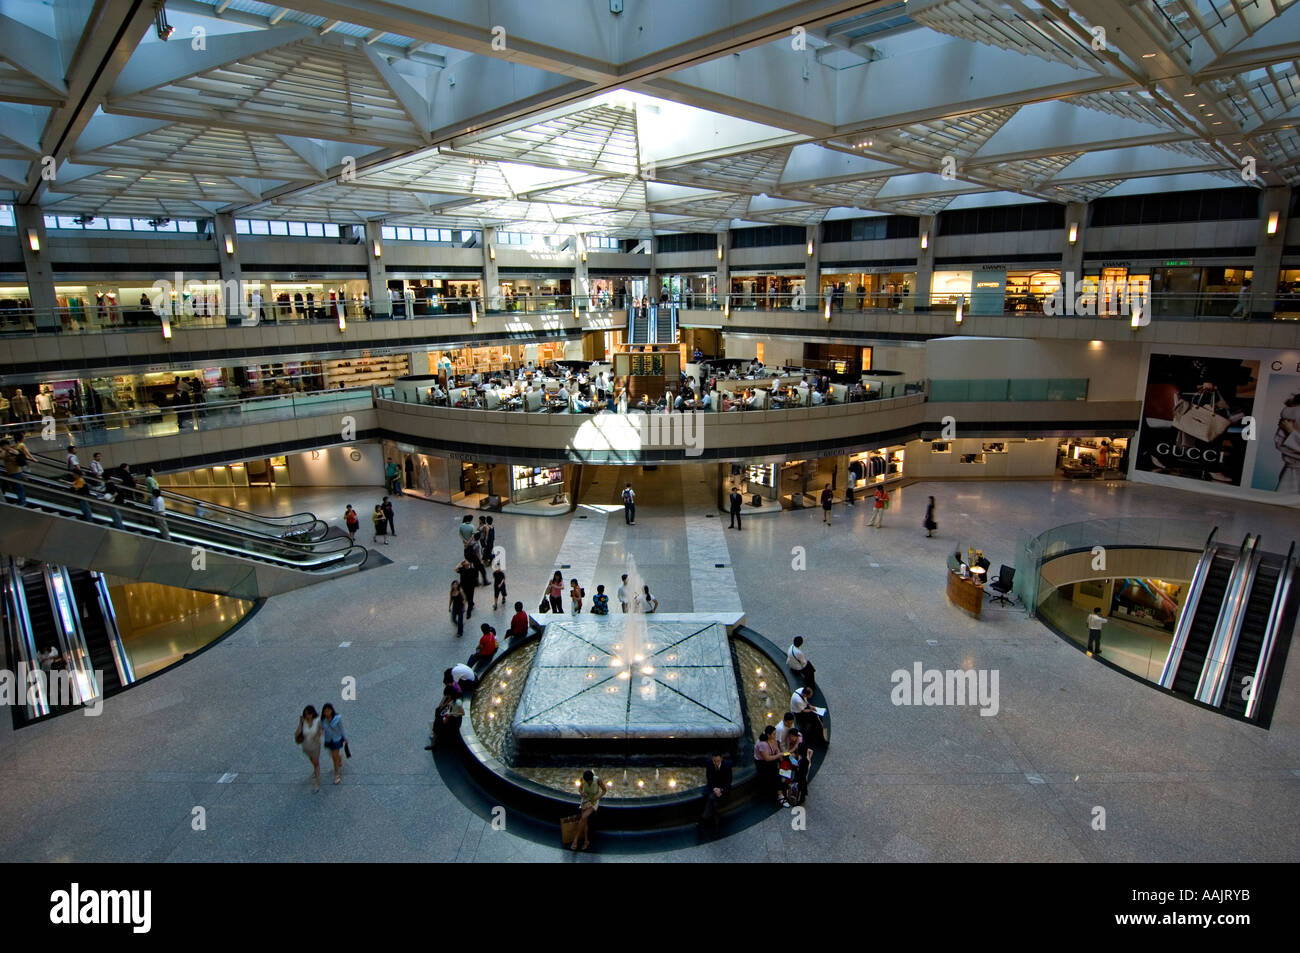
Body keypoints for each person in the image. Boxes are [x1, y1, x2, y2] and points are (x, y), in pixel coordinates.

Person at [699, 753, 733, 834]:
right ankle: (716, 821)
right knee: (713, 799)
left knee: (712, 798)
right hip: (713, 787)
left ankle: (704, 818)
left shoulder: (727, 765)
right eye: (714, 761)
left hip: (723, 789)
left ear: (721, 759)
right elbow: (709, 779)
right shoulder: (709, 763)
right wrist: (715, 789)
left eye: (717, 761)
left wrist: (721, 790)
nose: (716, 763)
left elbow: (729, 782)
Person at [571, 769, 604, 851]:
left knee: (583, 817)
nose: (588, 783)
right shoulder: (582, 779)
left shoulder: (598, 780)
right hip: (585, 800)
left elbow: (604, 790)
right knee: (584, 821)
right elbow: (580, 789)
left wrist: (597, 797)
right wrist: (581, 793)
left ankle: (575, 840)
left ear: (592, 778)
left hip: (594, 801)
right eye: (587, 781)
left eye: (590, 781)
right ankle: (586, 841)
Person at [295, 705, 324, 792]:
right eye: (306, 714)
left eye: (309, 714)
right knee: (312, 760)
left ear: (312, 713)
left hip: (315, 745)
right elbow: (297, 733)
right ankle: (315, 770)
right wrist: (300, 723)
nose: (308, 716)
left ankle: (317, 782)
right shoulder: (303, 722)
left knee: (316, 762)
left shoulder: (317, 721)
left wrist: (318, 735)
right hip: (306, 745)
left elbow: (321, 730)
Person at [320, 703, 347, 785]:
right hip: (328, 740)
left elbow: (341, 729)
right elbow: (321, 729)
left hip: (336, 739)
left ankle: (336, 774)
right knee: (332, 755)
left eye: (328, 711)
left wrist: (345, 738)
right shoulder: (323, 720)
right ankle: (339, 757)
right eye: (325, 711)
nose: (327, 713)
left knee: (334, 758)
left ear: (332, 710)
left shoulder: (337, 719)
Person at [753, 726, 781, 803]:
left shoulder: (772, 739)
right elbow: (767, 758)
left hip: (771, 758)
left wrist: (779, 755)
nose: (775, 736)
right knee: (771, 776)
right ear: (768, 735)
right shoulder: (763, 744)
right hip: (762, 763)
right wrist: (778, 756)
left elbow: (776, 748)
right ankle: (774, 794)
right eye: (774, 734)